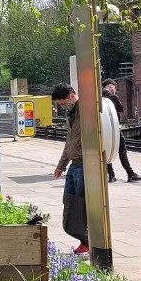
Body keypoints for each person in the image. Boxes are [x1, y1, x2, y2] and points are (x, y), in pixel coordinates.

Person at [51, 83, 89, 253]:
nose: (62, 106)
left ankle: (88, 241)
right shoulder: (71, 114)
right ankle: (83, 238)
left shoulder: (86, 110)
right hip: (74, 165)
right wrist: (61, 165)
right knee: (70, 202)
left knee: (81, 205)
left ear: (72, 96)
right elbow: (69, 141)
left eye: (63, 102)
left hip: (84, 164)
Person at [102, 81, 141, 183]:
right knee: (122, 150)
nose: (115, 90)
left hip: (103, 128)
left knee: (107, 149)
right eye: (114, 87)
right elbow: (121, 108)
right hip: (114, 128)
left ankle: (111, 175)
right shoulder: (112, 96)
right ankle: (130, 174)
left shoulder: (98, 96)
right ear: (111, 86)